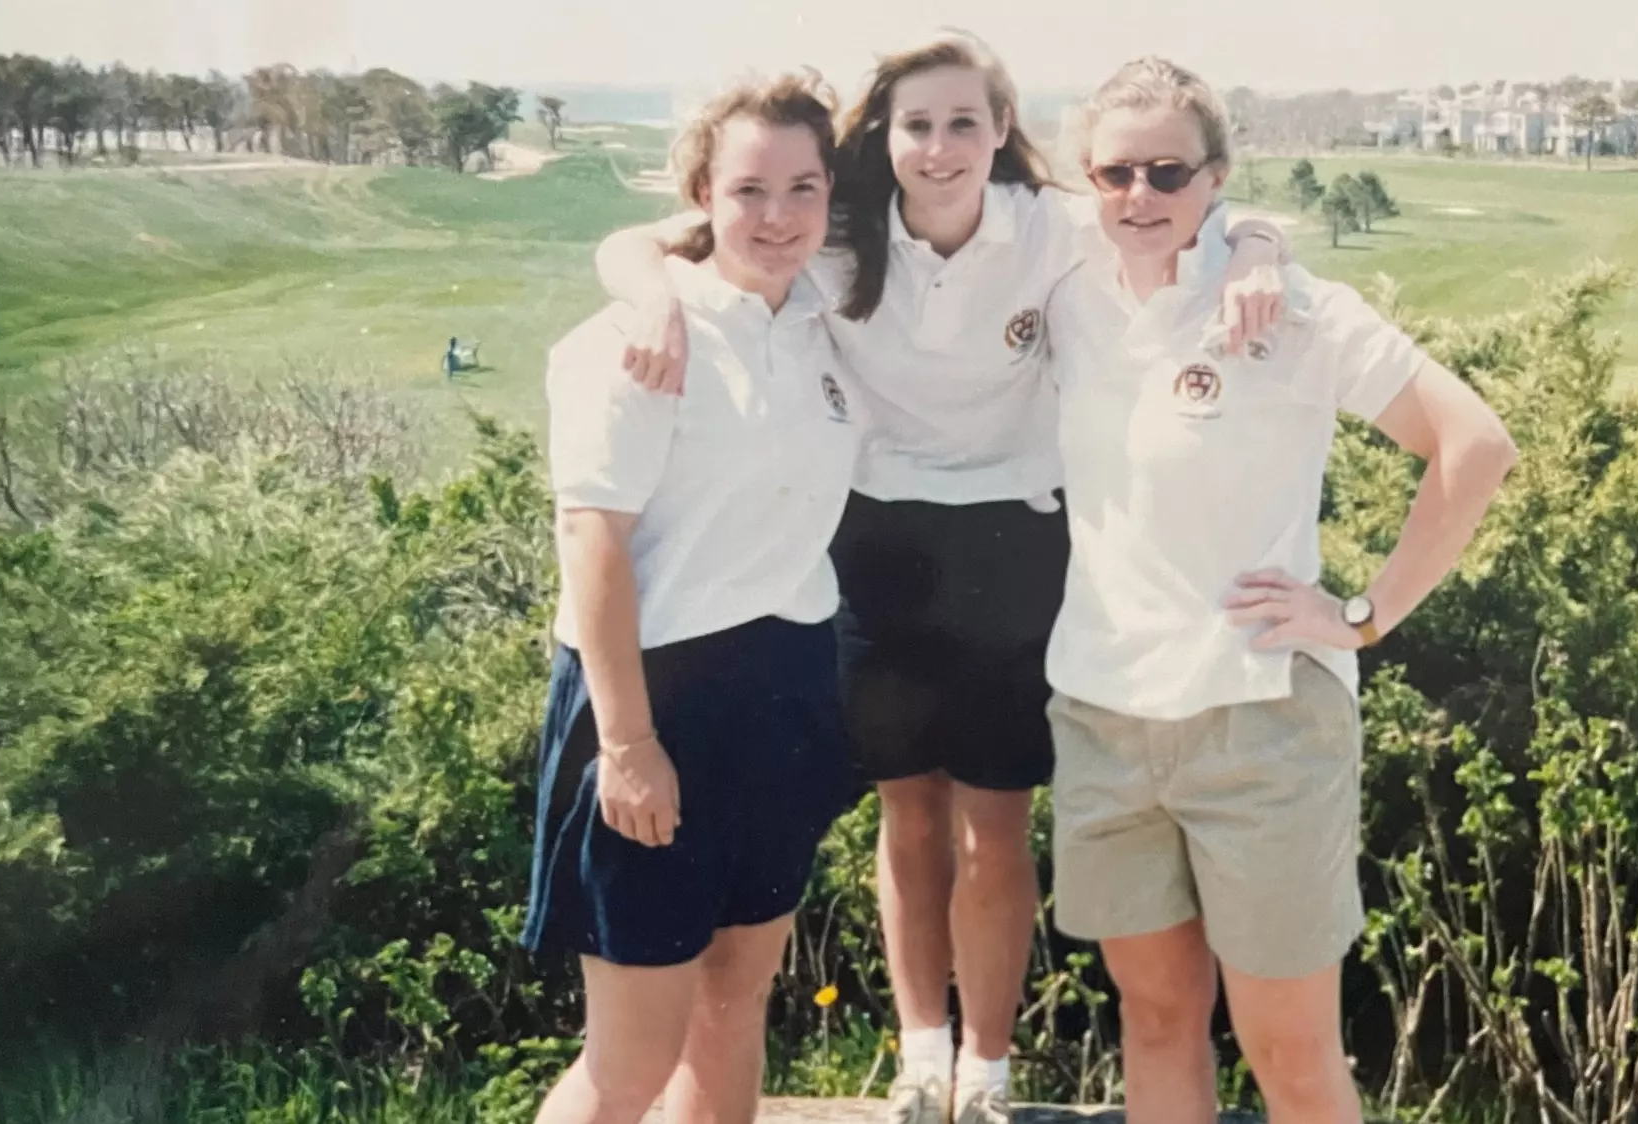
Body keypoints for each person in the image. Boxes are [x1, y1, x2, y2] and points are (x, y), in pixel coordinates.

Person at [586, 31, 1290, 1124]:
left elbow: (1208, 215)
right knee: (906, 819)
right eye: (916, 124)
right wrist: (646, 301)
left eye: (965, 121)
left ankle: (987, 1066)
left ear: (1001, 130)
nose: (940, 145)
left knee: (993, 824)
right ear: (885, 137)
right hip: (872, 542)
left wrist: (1256, 255)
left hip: (1014, 539)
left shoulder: (1050, 229)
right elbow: (643, 243)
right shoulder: (834, 233)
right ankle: (922, 1053)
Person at [1041, 59, 1519, 1124]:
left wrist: (1361, 615)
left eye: (1168, 170)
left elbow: (1474, 445)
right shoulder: (1066, 282)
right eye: (1115, 171)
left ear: (1213, 176)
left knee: (1287, 1048)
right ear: (1085, 177)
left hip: (1260, 724)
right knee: (1154, 1018)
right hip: (1103, 716)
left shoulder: (1289, 309)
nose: (1139, 195)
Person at [521, 72, 861, 1124]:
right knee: (629, 1058)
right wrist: (626, 744)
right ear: (701, 194)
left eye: (802, 188)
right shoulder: (635, 340)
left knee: (734, 1002)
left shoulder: (822, 310)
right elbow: (591, 540)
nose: (776, 216)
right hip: (652, 702)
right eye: (748, 188)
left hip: (785, 691)